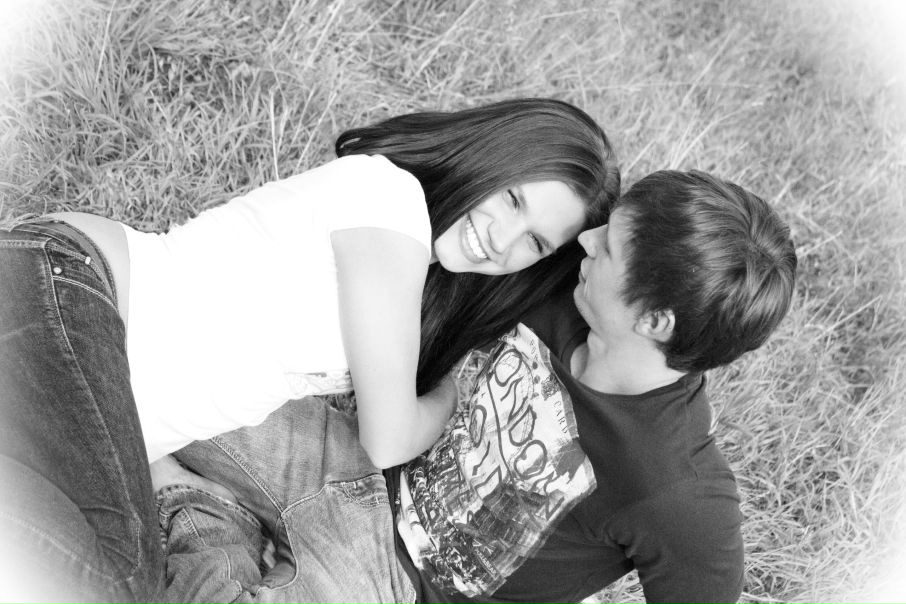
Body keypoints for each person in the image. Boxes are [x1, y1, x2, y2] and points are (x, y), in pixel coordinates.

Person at [0, 98, 620, 603]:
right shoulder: (391, 207)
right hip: (80, 300)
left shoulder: (413, 272)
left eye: (534, 243)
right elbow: (389, 437)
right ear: (491, 155)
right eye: (512, 199)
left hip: (92, 382)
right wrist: (454, 395)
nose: (503, 240)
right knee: (112, 582)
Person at [160, 168, 797, 604]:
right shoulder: (566, 289)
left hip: (394, 586)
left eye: (609, 248)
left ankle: (200, 517)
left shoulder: (682, 493)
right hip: (353, 457)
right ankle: (223, 520)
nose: (586, 239)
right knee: (166, 370)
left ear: (654, 321)